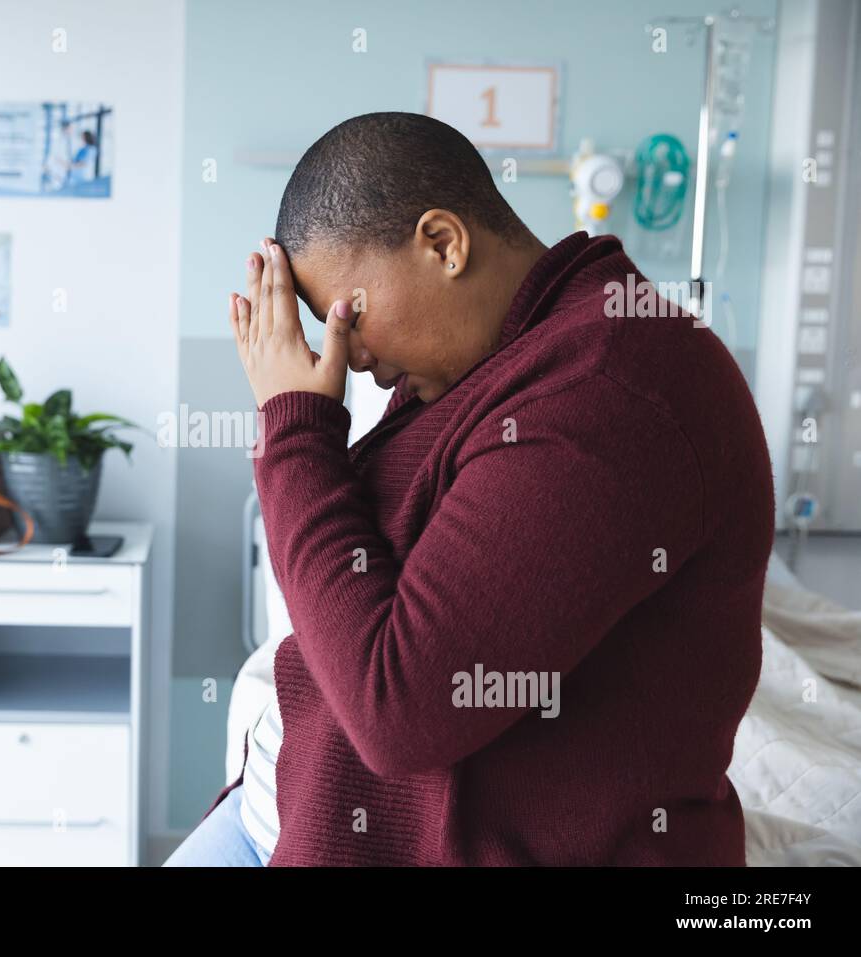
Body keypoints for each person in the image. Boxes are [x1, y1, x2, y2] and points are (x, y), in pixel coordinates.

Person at [165, 112, 773, 867]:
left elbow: (399, 712)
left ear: (443, 244)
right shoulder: (488, 358)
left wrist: (293, 431)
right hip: (280, 812)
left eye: (350, 317)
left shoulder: (613, 386)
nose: (350, 360)